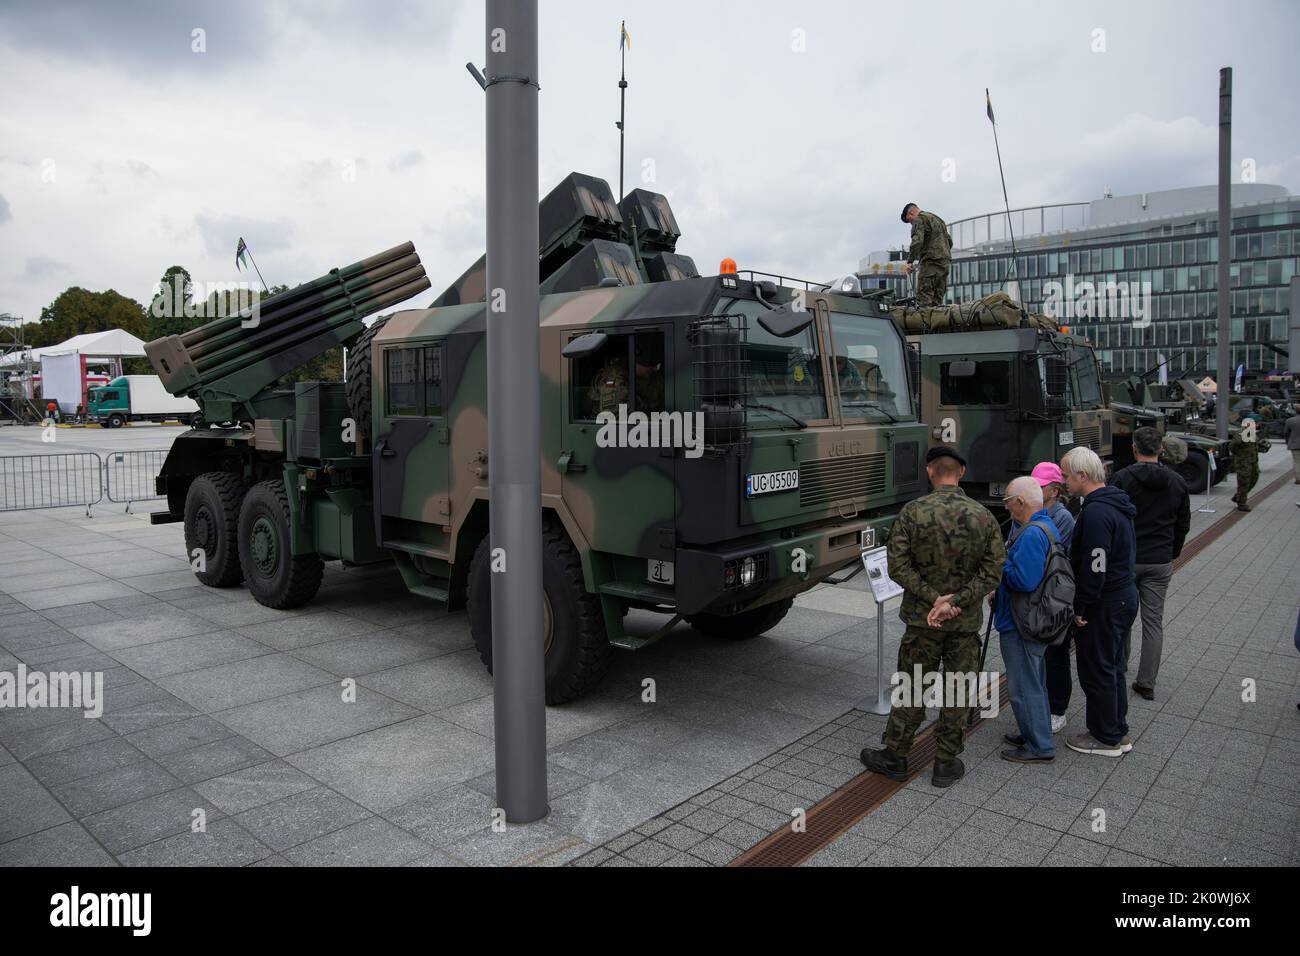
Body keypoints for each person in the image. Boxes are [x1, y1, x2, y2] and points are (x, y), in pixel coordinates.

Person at [860, 446, 1005, 787]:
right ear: (962, 472)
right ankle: (945, 762)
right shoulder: (983, 516)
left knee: (912, 685)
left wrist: (932, 598)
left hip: (921, 619)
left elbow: (897, 565)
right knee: (957, 688)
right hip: (964, 622)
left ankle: (895, 756)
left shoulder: (912, 513)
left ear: (929, 472)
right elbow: (993, 569)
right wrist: (958, 600)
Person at [1061, 446, 1138, 757]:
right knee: (1114, 666)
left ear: (1082, 476)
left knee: (1097, 669)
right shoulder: (1117, 503)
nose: (1064, 481)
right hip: (1123, 596)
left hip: (1104, 602)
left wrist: (1081, 606)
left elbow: (1096, 565)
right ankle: (1117, 729)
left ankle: (1104, 737)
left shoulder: (1095, 513)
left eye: (1066, 475)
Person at [1108, 426, 1191, 701]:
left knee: (1123, 616)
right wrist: (1172, 552)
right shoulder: (1177, 482)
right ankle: (1146, 681)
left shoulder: (1121, 479)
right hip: (1159, 560)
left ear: (1134, 448)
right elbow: (1183, 523)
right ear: (1161, 450)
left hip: (1127, 560)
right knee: (1153, 621)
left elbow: (1111, 519)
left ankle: (1119, 667)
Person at [994, 476, 1058, 763]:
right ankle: (1035, 732)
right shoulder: (1045, 525)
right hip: (1032, 619)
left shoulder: (1031, 534)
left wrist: (1001, 564)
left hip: (1021, 622)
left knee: (1023, 686)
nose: (1006, 508)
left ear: (1020, 502)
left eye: (1007, 502)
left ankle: (1039, 745)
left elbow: (1024, 579)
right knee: (1036, 680)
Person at [1032, 462, 1075, 735]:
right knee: (1038, 657)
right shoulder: (1032, 510)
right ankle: (1039, 710)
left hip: (1054, 598)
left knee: (1056, 655)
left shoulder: (1063, 518)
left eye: (1041, 486)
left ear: (1055, 490)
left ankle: (1057, 710)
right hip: (1035, 599)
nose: (1036, 489)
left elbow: (1049, 556)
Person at [900, 203, 953, 307]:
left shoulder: (919, 219)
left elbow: (917, 241)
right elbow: (949, 242)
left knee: (924, 299)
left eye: (909, 220)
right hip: (944, 264)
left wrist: (909, 262)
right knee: (937, 301)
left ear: (911, 213)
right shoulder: (938, 220)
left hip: (930, 263)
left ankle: (925, 323)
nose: (911, 223)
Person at [1228, 413, 1270, 512]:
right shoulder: (1241, 433)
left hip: (1253, 461)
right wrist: (1239, 455)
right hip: (1243, 463)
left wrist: (1262, 445)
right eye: (1254, 423)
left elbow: (1255, 446)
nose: (1256, 425)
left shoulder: (1252, 433)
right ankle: (1241, 503)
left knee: (1254, 478)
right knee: (1244, 482)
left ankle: (1238, 496)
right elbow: (1232, 446)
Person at [1285, 410, 1300, 485]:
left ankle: (1298, 478)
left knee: (1297, 461)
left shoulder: (1289, 420)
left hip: (1294, 444)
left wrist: (1287, 442)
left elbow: (1286, 433)